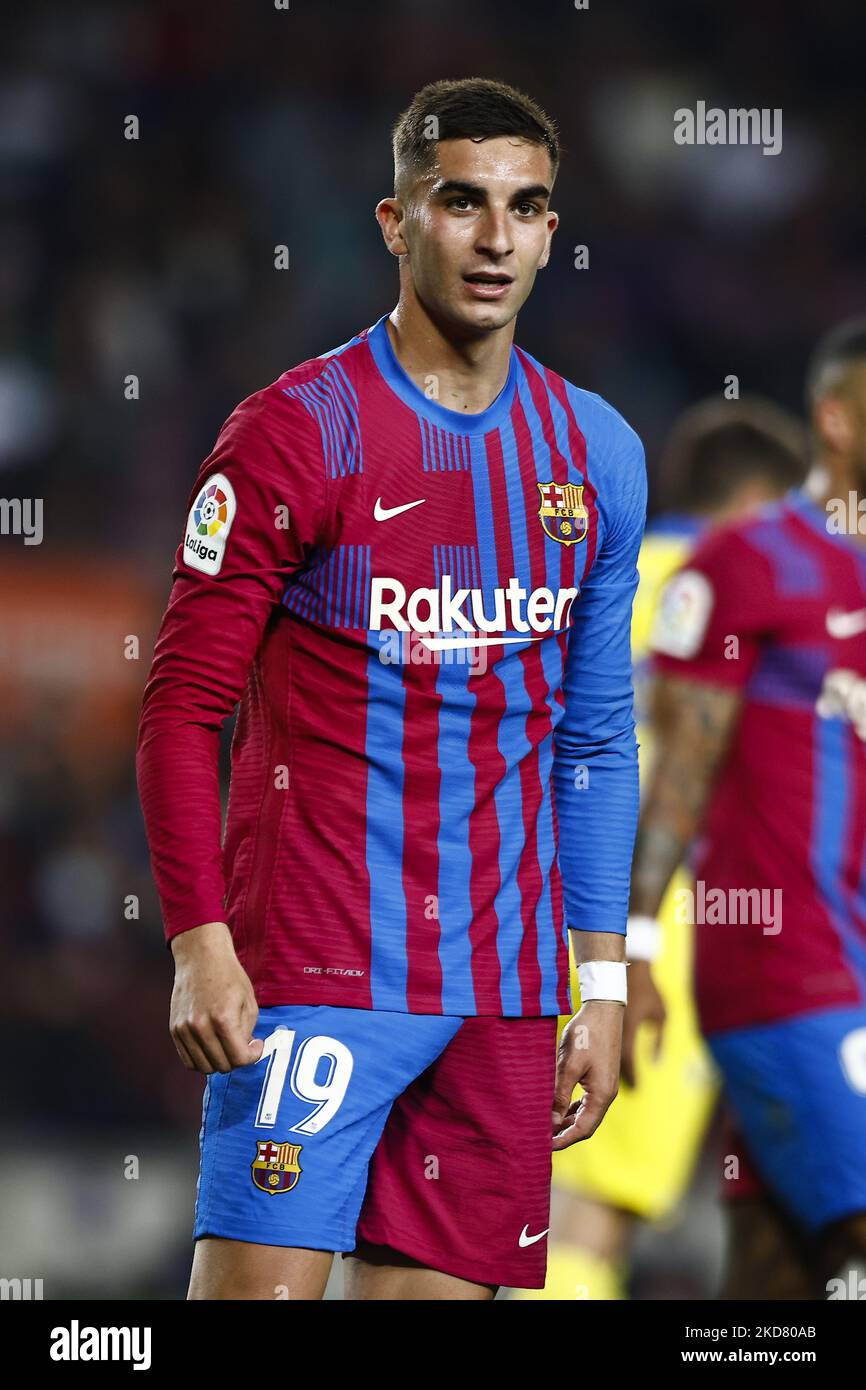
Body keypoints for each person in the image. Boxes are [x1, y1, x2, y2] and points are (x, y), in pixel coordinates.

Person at [136, 76, 646, 1301]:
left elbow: (593, 741)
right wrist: (199, 942)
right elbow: (180, 707)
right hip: (317, 967)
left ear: (549, 231)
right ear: (392, 220)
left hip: (507, 987)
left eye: (523, 209)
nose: (492, 238)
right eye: (458, 202)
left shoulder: (594, 454)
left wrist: (605, 978)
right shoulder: (295, 433)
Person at [515, 396, 806, 1300]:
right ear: (758, 501)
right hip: (665, 928)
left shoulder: (596, 571)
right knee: (590, 1213)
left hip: (537, 903)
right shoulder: (752, 594)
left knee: (525, 1192)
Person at [627, 319, 866, 1297]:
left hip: (848, 970)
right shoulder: (748, 564)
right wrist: (631, 953)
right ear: (833, 419)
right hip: (781, 969)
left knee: (774, 1282)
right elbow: (679, 769)